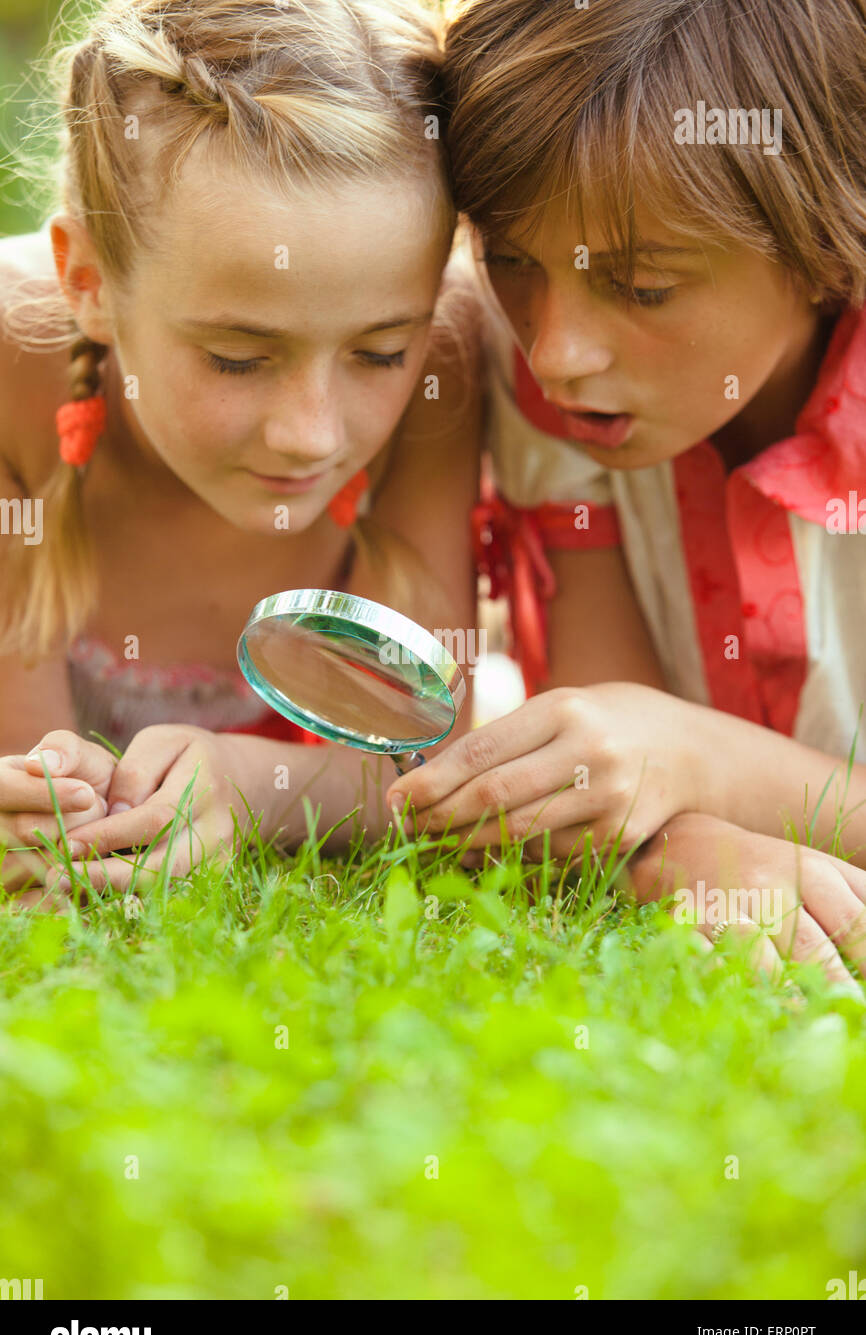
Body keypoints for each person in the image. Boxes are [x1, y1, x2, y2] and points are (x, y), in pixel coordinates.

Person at [389, 0, 866, 983]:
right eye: (510, 261)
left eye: (642, 286)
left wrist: (698, 761)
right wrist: (677, 845)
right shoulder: (536, 386)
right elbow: (599, 741)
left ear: (824, 246)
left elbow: (646, 739)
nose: (555, 352)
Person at [0, 0, 480, 901]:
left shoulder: (444, 368)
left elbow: (430, 760)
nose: (313, 434)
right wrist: (42, 801)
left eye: (380, 352)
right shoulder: (8, 369)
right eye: (237, 358)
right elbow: (28, 797)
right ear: (87, 282)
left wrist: (255, 787)